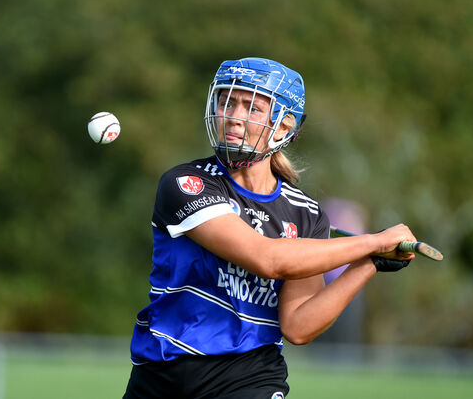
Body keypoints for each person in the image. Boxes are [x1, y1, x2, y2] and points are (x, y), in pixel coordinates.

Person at [123, 57, 416, 398]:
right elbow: (268, 259)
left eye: (252, 107)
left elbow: (299, 326)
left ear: (283, 127)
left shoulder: (306, 214)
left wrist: (370, 263)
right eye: (227, 102)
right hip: (162, 376)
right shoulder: (187, 184)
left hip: (250, 377)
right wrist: (372, 242)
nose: (233, 115)